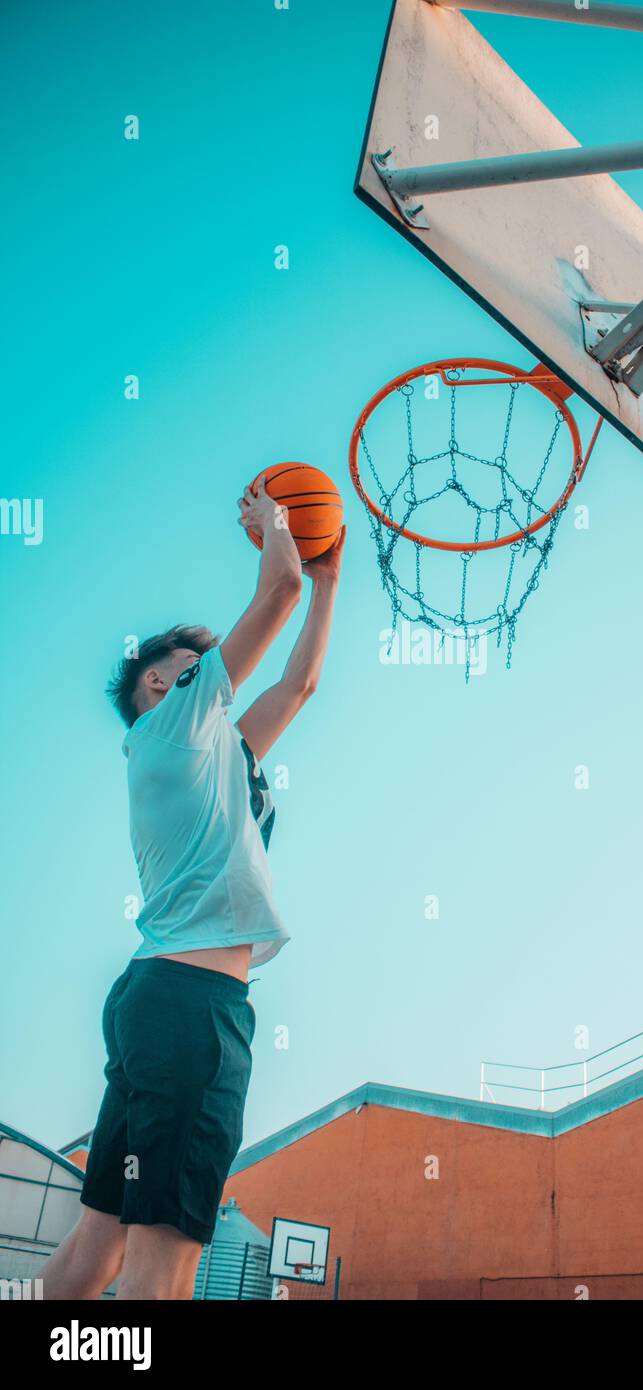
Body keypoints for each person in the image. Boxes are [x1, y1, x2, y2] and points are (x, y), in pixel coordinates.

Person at [41, 479, 344, 1299]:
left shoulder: (212, 751)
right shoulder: (167, 726)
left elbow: (299, 685)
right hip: (189, 1006)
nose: (210, 677)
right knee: (163, 1259)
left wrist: (328, 581)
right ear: (156, 690)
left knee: (94, 1245)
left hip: (159, 998)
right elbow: (273, 589)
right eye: (191, 670)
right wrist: (273, 525)